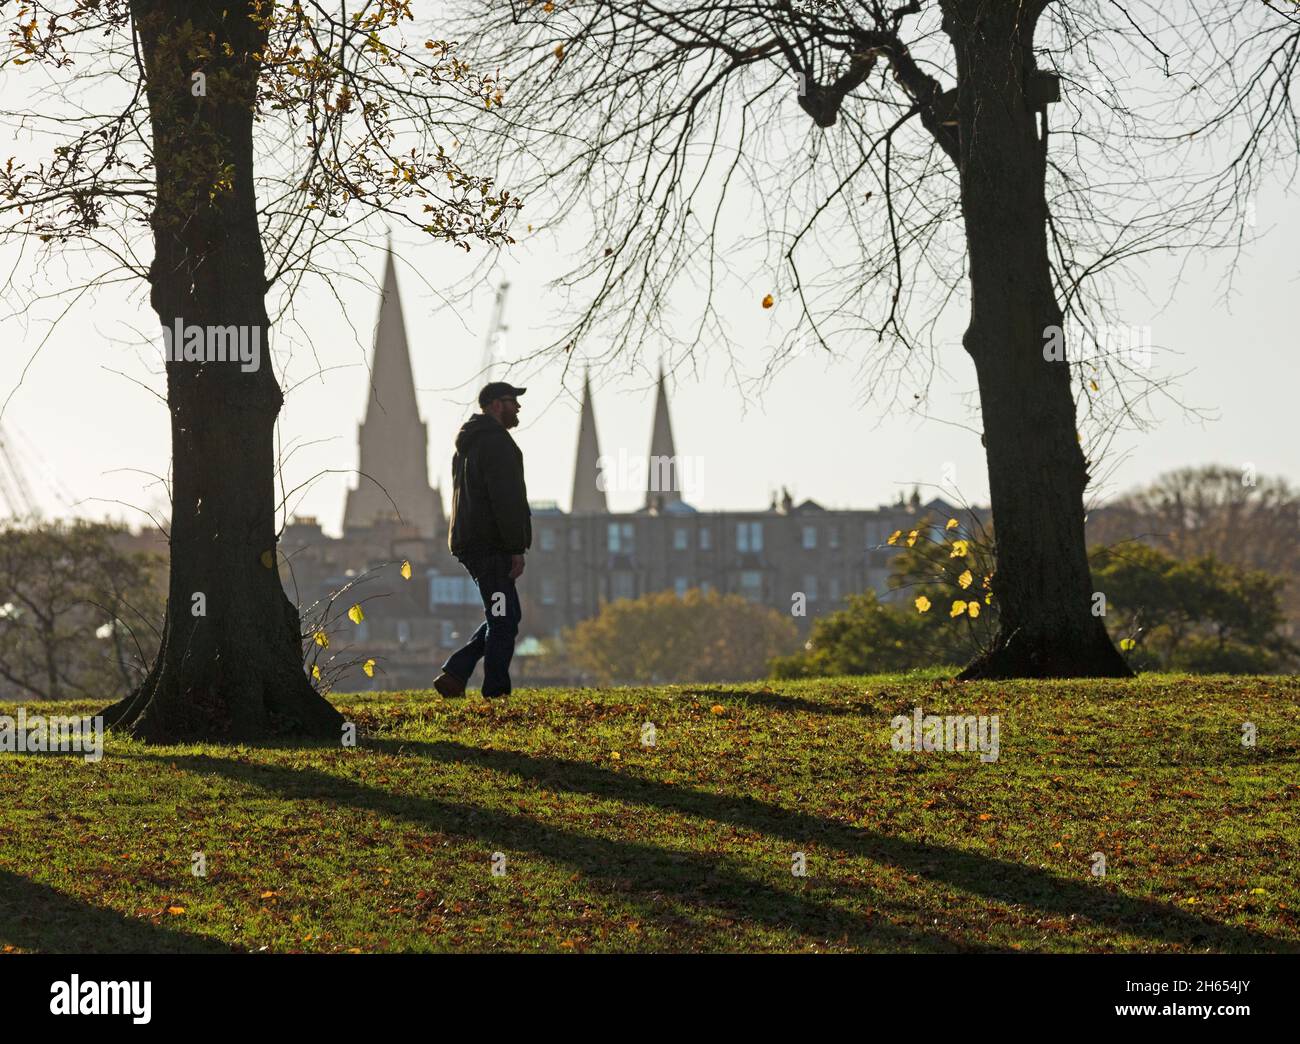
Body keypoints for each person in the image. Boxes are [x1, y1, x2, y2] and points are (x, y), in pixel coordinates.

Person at [434, 381, 531, 699]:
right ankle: (496, 691)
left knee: (504, 614)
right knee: (502, 618)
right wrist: (515, 548)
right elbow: (506, 500)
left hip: (472, 545)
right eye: (511, 400)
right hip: (491, 548)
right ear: (494, 404)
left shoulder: (467, 446)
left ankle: (455, 672)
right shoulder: (496, 444)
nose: (517, 406)